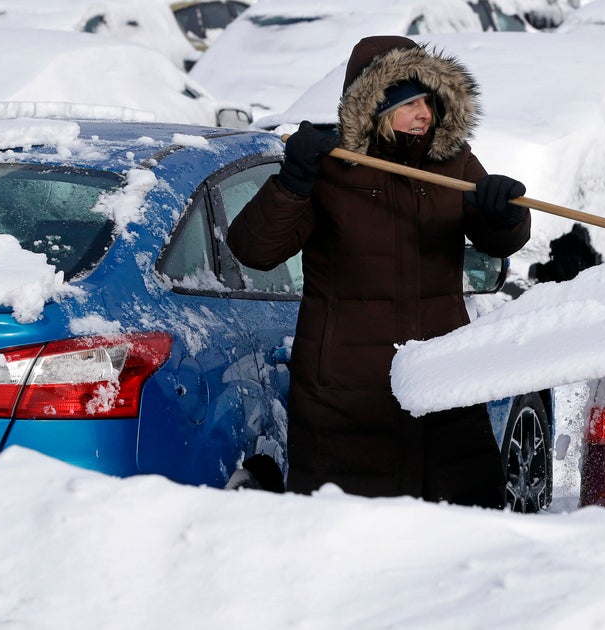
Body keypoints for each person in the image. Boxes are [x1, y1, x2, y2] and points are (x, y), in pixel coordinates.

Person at [227, 35, 532, 508]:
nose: (424, 114)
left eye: (429, 101)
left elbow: (500, 241)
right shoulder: (332, 169)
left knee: (462, 537)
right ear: (372, 106)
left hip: (442, 384)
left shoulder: (452, 163)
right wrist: (292, 182)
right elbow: (254, 249)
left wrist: (504, 211)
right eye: (409, 103)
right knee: (353, 540)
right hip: (347, 395)